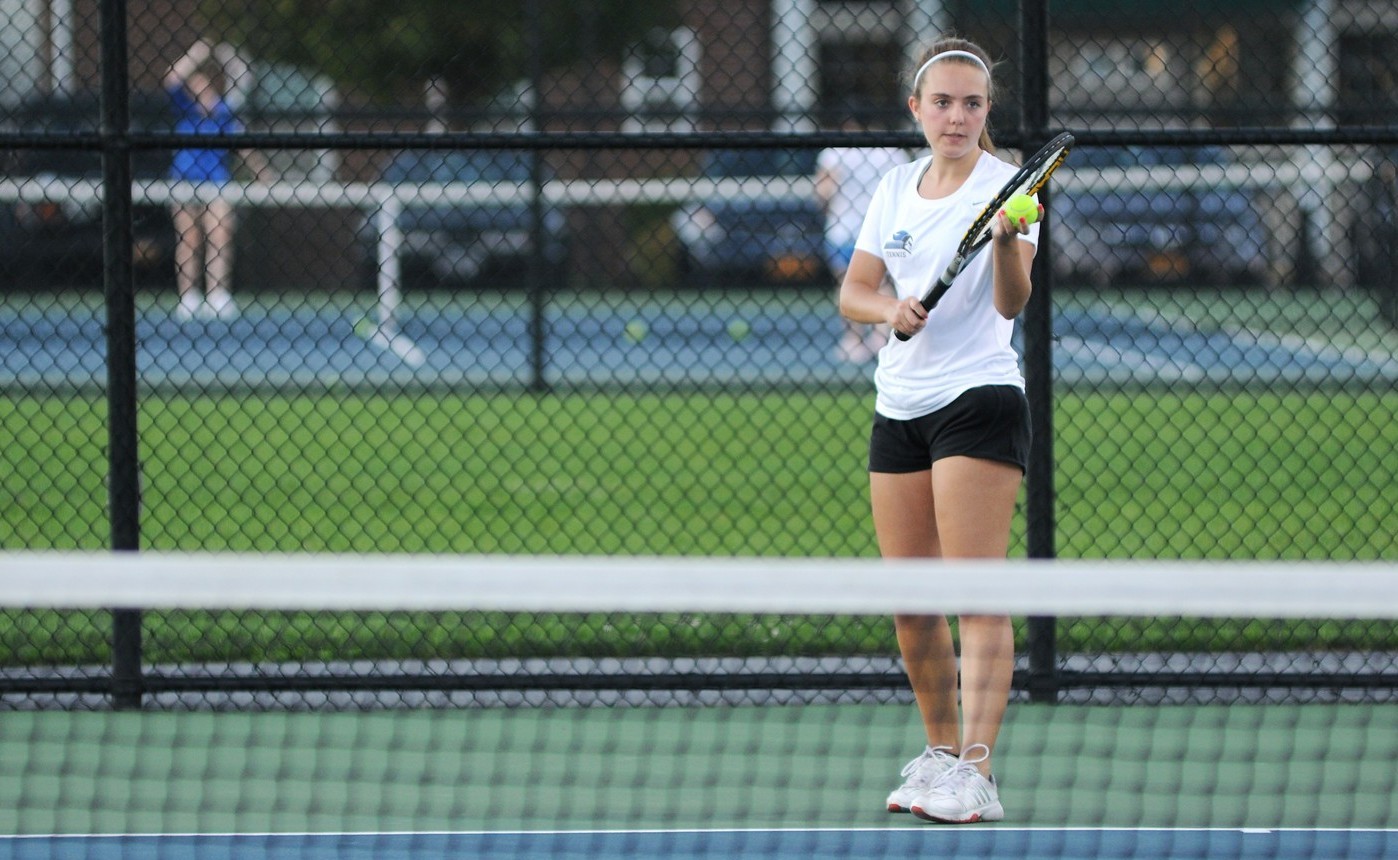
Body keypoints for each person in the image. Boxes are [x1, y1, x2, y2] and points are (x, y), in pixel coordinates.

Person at [836, 36, 1043, 824]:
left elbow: (1011, 303)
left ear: (986, 112)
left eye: (973, 103)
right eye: (943, 102)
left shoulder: (1012, 190)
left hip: (978, 400)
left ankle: (978, 774)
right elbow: (854, 291)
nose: (957, 116)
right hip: (899, 404)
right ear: (916, 109)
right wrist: (890, 308)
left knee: (974, 594)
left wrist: (1002, 244)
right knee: (914, 602)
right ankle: (940, 756)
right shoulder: (891, 186)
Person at [164, 40, 251, 321]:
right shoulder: (184, 110)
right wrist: (196, 53)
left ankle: (217, 294)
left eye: (206, 87)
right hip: (183, 181)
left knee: (220, 234)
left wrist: (226, 55)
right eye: (196, 88)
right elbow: (171, 79)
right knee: (188, 239)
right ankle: (188, 296)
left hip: (217, 181)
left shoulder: (224, 113)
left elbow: (243, 78)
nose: (202, 92)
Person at [815, 121, 908, 363]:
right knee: (883, 283)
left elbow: (824, 191)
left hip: (844, 229)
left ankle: (854, 341)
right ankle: (880, 337)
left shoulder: (836, 152)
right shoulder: (892, 151)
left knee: (849, 284)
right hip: (882, 228)